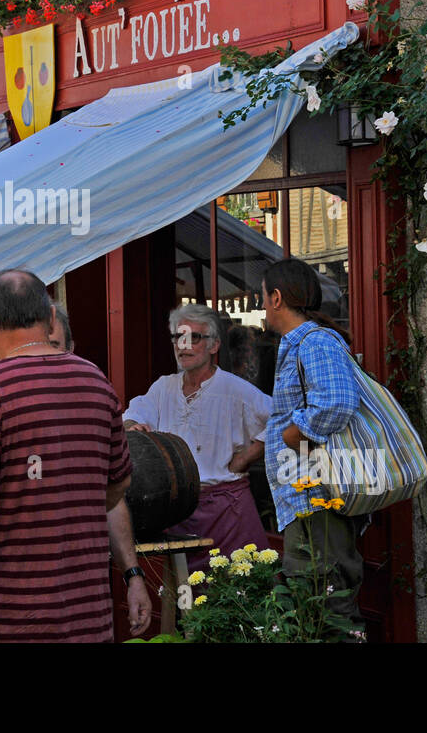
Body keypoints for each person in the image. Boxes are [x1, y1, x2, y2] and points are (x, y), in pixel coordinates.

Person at [0, 270, 132, 643]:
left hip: (12, 620)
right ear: (48, 318)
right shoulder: (96, 382)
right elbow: (118, 483)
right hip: (90, 615)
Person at [123, 303, 272, 574]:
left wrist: (246, 458)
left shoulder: (234, 389)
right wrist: (134, 426)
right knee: (186, 602)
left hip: (228, 513)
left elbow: (280, 420)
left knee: (238, 596)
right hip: (177, 511)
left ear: (214, 346)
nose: (184, 345)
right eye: (178, 337)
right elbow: (134, 412)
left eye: (194, 337)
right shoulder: (163, 387)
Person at [261, 258, 365, 631]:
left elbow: (337, 400)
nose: (263, 307)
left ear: (275, 298)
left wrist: (293, 433)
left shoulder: (315, 342)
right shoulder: (303, 342)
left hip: (318, 495)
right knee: (312, 601)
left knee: (329, 601)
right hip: (305, 495)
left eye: (263, 298)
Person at [49, 304, 151, 637]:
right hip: (20, 607)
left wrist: (133, 575)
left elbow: (112, 498)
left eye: (53, 348)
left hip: (86, 602)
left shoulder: (96, 404)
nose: (44, 360)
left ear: (72, 348)